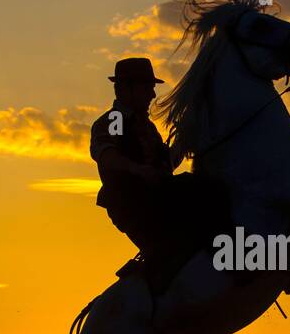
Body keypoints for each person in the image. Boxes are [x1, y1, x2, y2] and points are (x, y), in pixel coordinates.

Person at [89, 58, 230, 295]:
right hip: (137, 205)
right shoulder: (116, 121)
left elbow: (165, 167)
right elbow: (106, 154)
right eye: (147, 87)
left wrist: (183, 141)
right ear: (125, 89)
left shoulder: (146, 125)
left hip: (155, 199)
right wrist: (137, 169)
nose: (153, 94)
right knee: (205, 191)